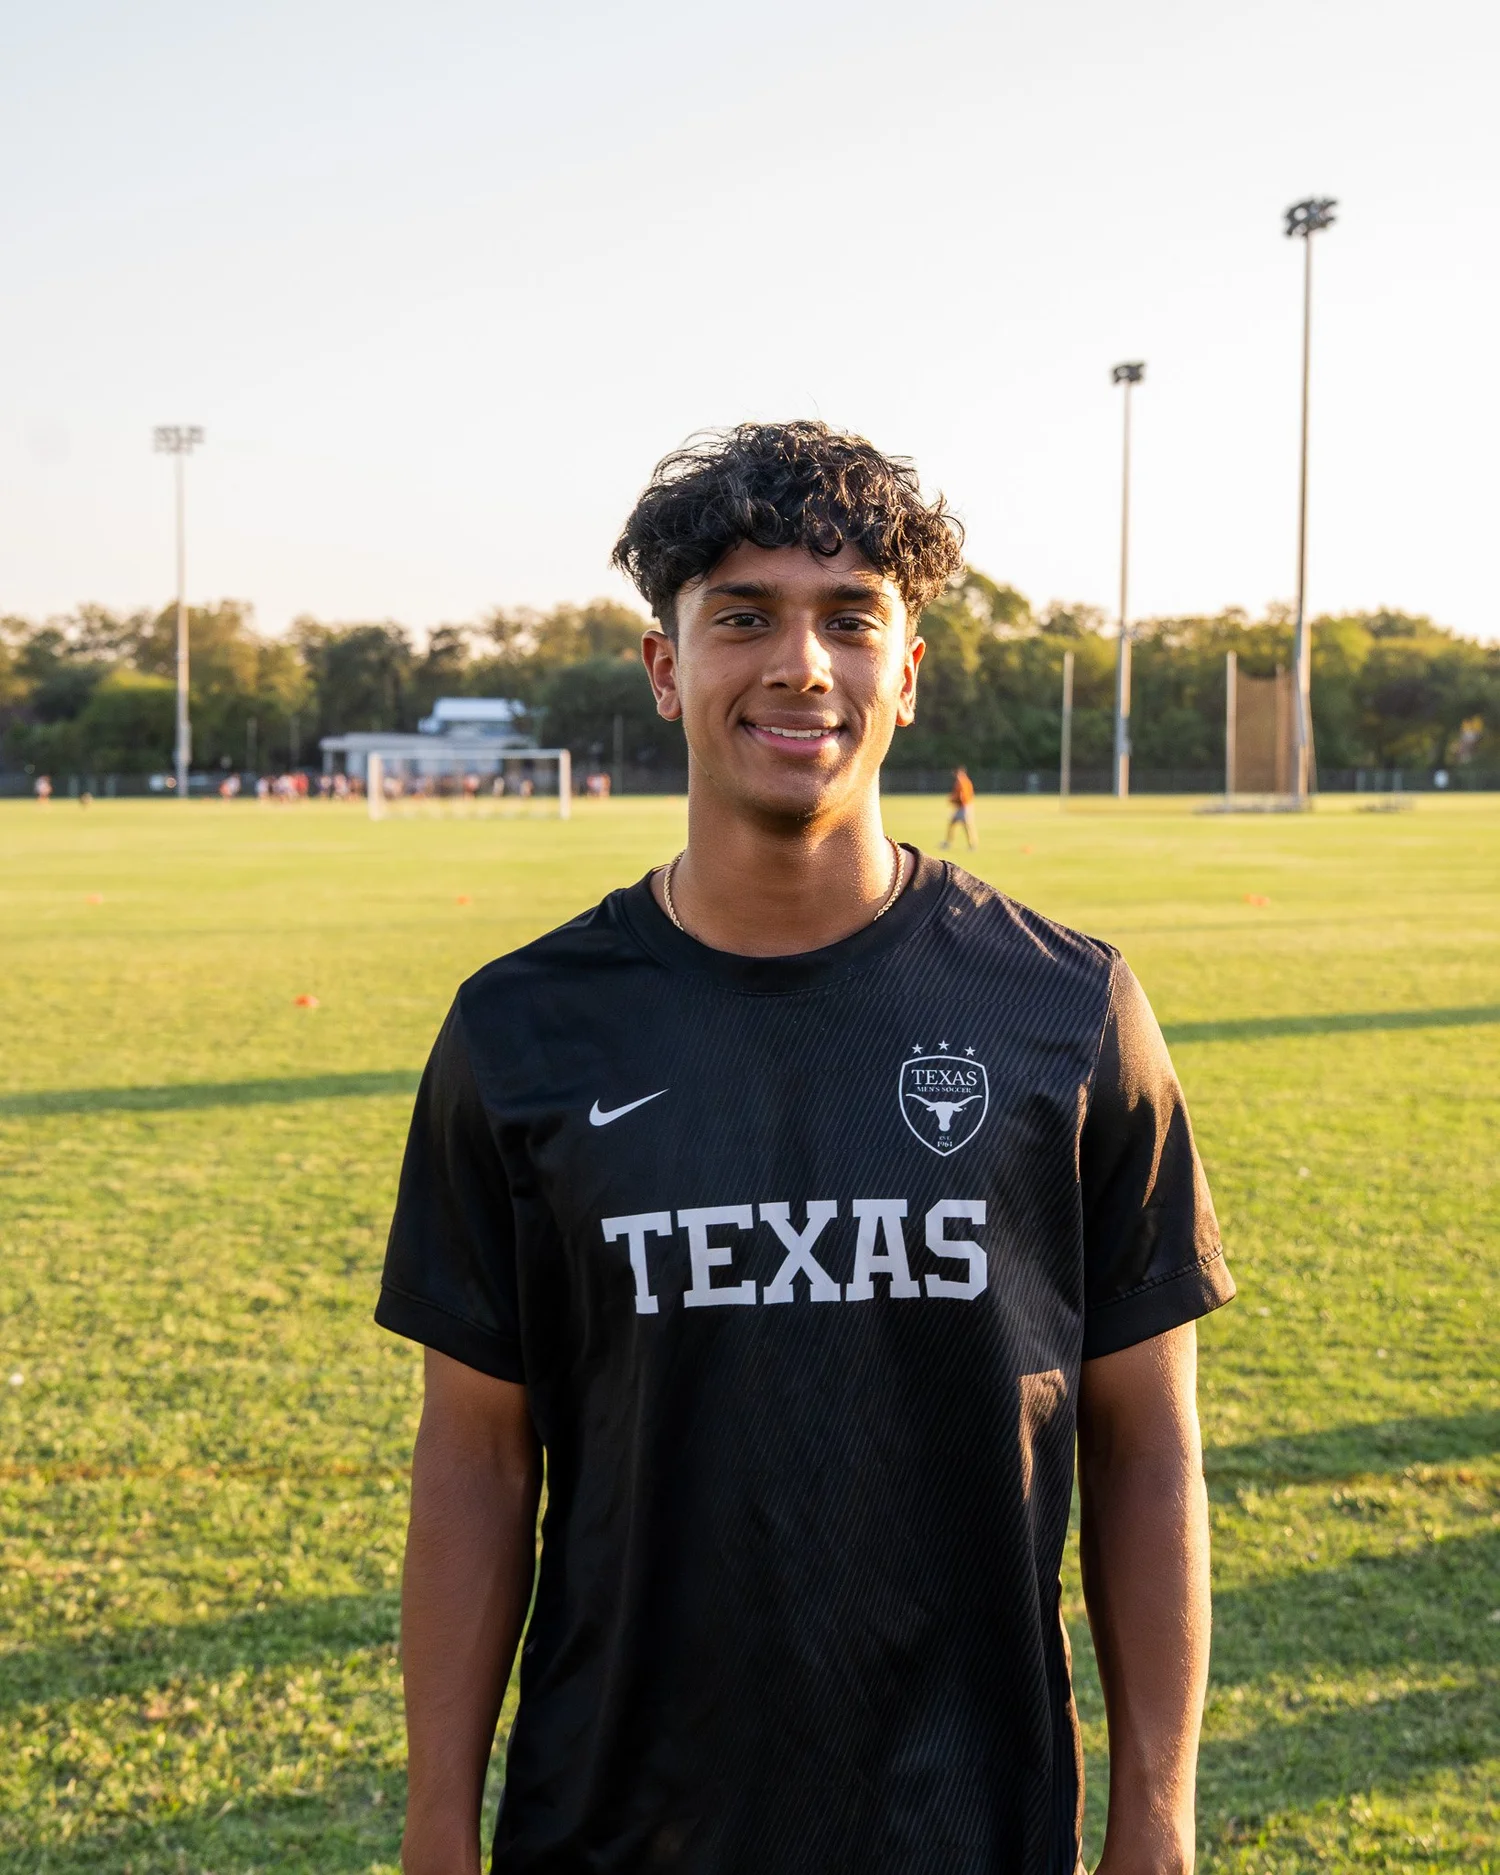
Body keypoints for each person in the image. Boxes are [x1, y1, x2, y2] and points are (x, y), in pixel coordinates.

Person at [378, 421, 1233, 1875]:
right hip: (613, 1822)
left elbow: (1145, 1441)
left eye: (850, 618)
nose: (801, 665)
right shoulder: (519, 1031)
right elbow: (474, 1455)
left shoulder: (1066, 1009)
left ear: (909, 668)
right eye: (744, 617)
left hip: (966, 1819)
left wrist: (1157, 1811)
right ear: (666, 667)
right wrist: (437, 1822)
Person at [942, 762, 978, 849]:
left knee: (967, 826)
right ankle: (948, 843)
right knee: (952, 824)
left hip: (964, 807)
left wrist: (953, 800)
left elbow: (962, 795)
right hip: (962, 807)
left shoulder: (962, 781)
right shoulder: (964, 781)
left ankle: (972, 845)